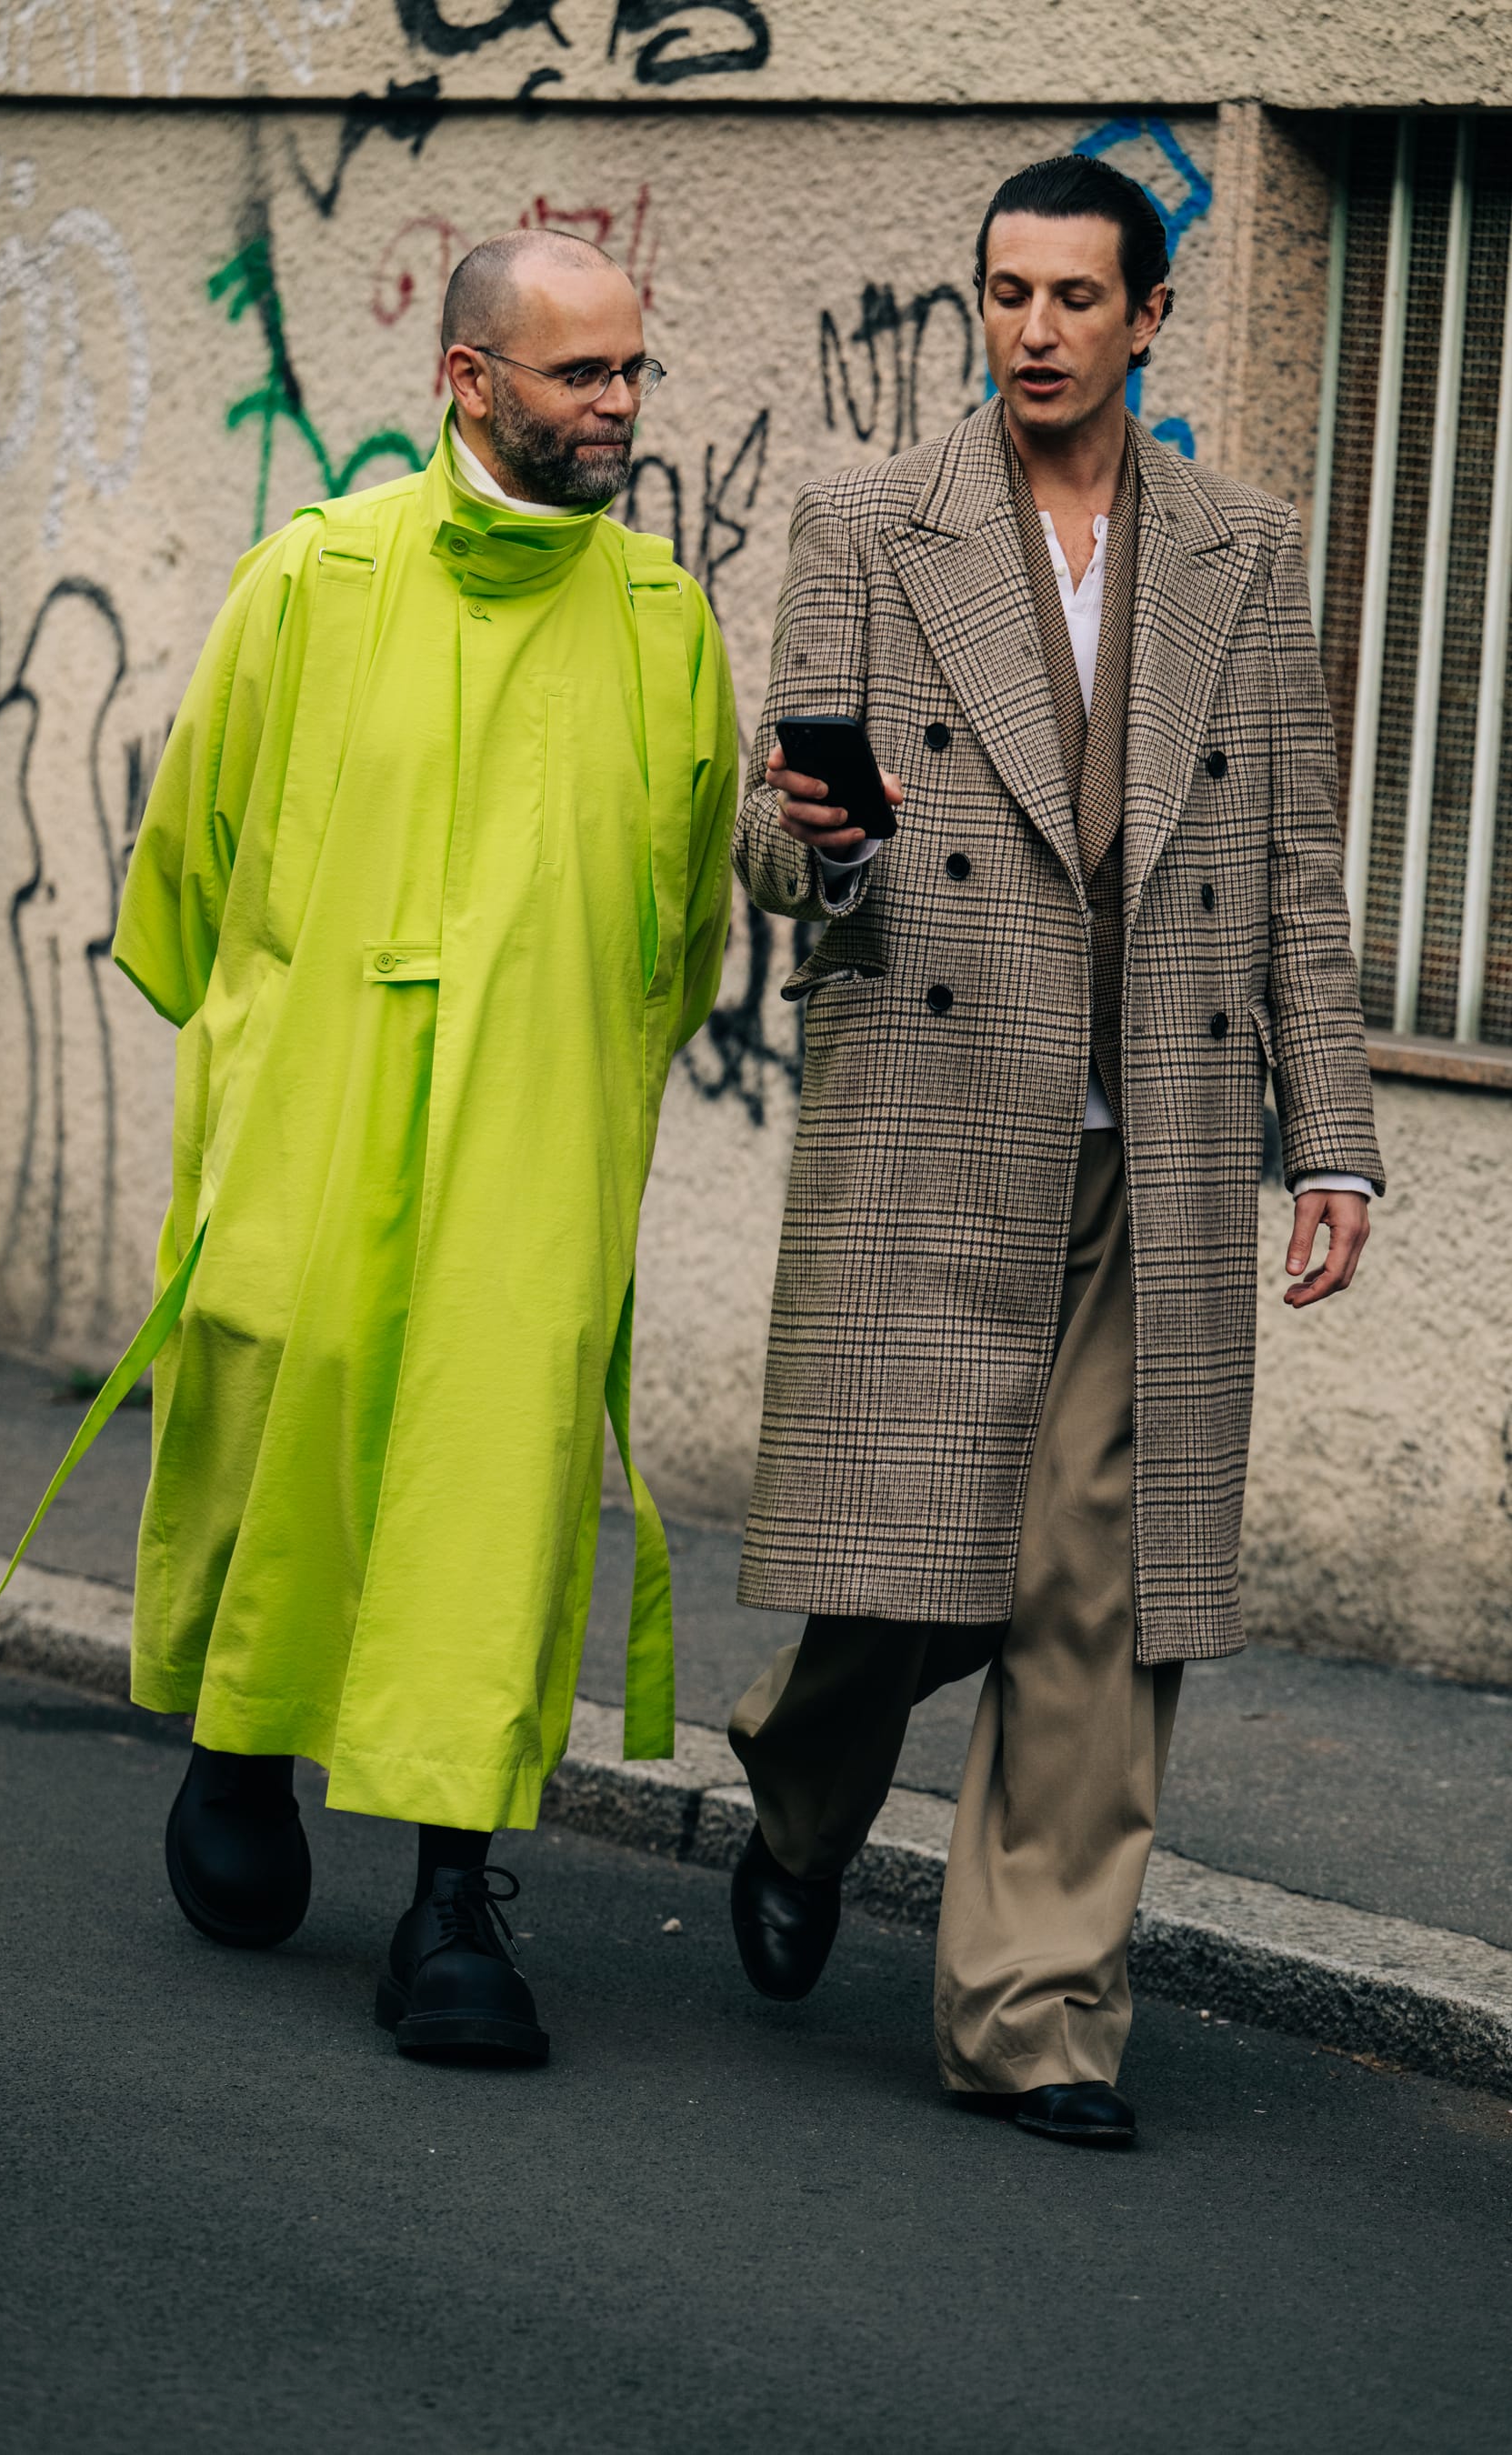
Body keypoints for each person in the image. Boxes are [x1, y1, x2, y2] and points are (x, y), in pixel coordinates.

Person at [724, 154, 1380, 2145]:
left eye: (1076, 297)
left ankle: (1036, 2017)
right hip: (934, 1127)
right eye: (1006, 293)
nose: (1034, 330)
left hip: (1151, 1148)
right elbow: (771, 844)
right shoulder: (869, 525)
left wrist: (1331, 1141)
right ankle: (804, 1793)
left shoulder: (1241, 550)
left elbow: (1291, 864)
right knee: (911, 1575)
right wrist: (815, 841)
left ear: (1150, 316)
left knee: (1095, 1585)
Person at [104, 231, 736, 2062]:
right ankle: (243, 1738)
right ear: (469, 378)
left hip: (536, 1145)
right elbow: (190, 865)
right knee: (284, 1425)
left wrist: (559, 1060)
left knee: (495, 1484)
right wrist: (280, 1051)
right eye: (580, 373)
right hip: (313, 1118)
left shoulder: (663, 624)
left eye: (635, 370)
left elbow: (684, 925)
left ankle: (452, 1897)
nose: (620, 404)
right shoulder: (309, 582)